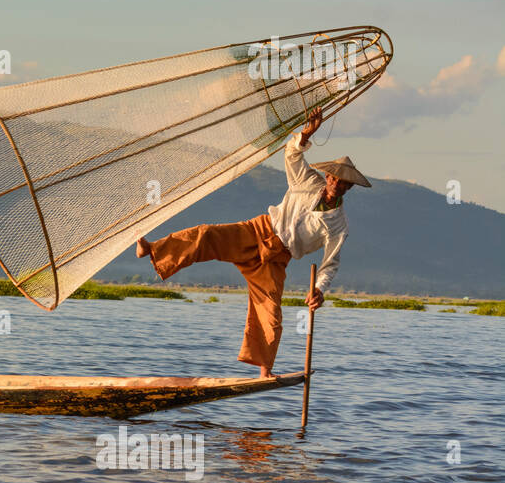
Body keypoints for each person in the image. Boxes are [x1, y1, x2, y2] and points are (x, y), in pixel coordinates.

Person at [135, 107, 370, 377]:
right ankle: (152, 249)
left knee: (271, 314)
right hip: (258, 231)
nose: (336, 185)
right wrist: (305, 135)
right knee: (207, 235)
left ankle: (264, 369)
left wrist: (318, 289)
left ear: (348, 189)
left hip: (277, 258)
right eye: (335, 179)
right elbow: (292, 155)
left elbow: (331, 263)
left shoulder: (339, 224)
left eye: (343, 184)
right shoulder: (308, 181)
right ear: (328, 177)